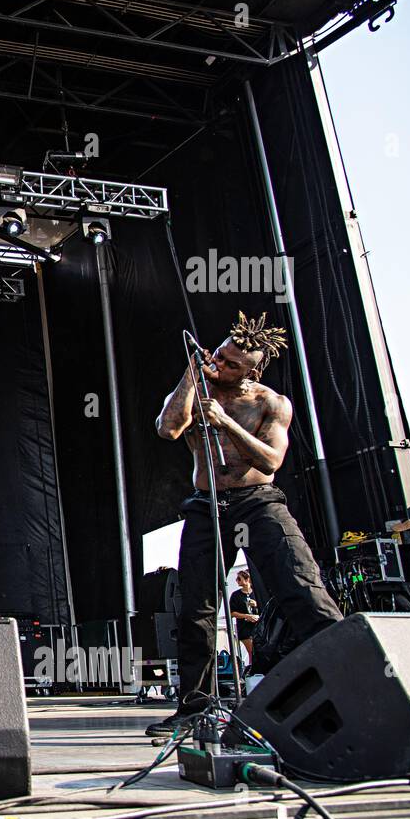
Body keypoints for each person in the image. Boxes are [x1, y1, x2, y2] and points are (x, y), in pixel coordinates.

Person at [148, 312, 342, 736]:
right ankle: (193, 708)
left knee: (302, 587)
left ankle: (345, 688)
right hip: (206, 504)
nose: (220, 363)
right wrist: (192, 375)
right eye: (219, 354)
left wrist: (226, 422)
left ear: (252, 372)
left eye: (232, 364)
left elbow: (270, 460)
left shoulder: (270, 403)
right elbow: (168, 428)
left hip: (257, 502)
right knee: (195, 607)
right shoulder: (195, 389)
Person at [228, 569, 260, 665]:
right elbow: (231, 612)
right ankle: (252, 671)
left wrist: (256, 605)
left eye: (239, 578)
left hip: (258, 626)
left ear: (247, 579)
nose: (237, 581)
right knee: (252, 652)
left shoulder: (256, 592)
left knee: (259, 651)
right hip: (245, 628)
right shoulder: (235, 595)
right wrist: (246, 616)